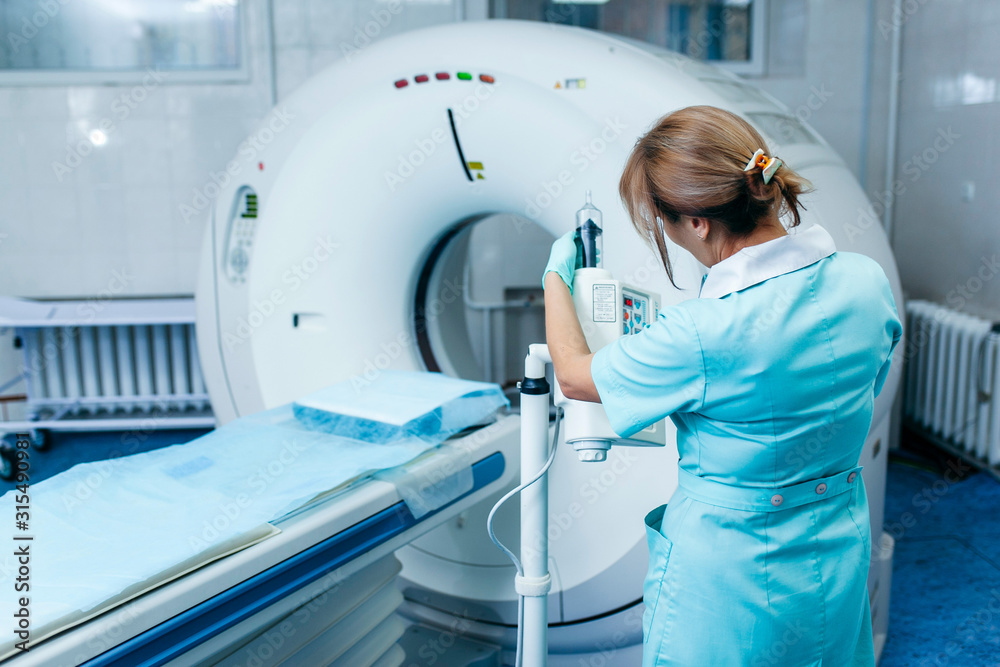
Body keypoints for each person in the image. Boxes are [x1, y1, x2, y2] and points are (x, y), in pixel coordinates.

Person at [542, 106, 901, 666]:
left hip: (731, 575)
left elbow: (574, 374)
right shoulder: (866, 282)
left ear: (698, 223)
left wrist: (556, 280)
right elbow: (860, 387)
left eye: (662, 220)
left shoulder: (702, 333)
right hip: (833, 546)